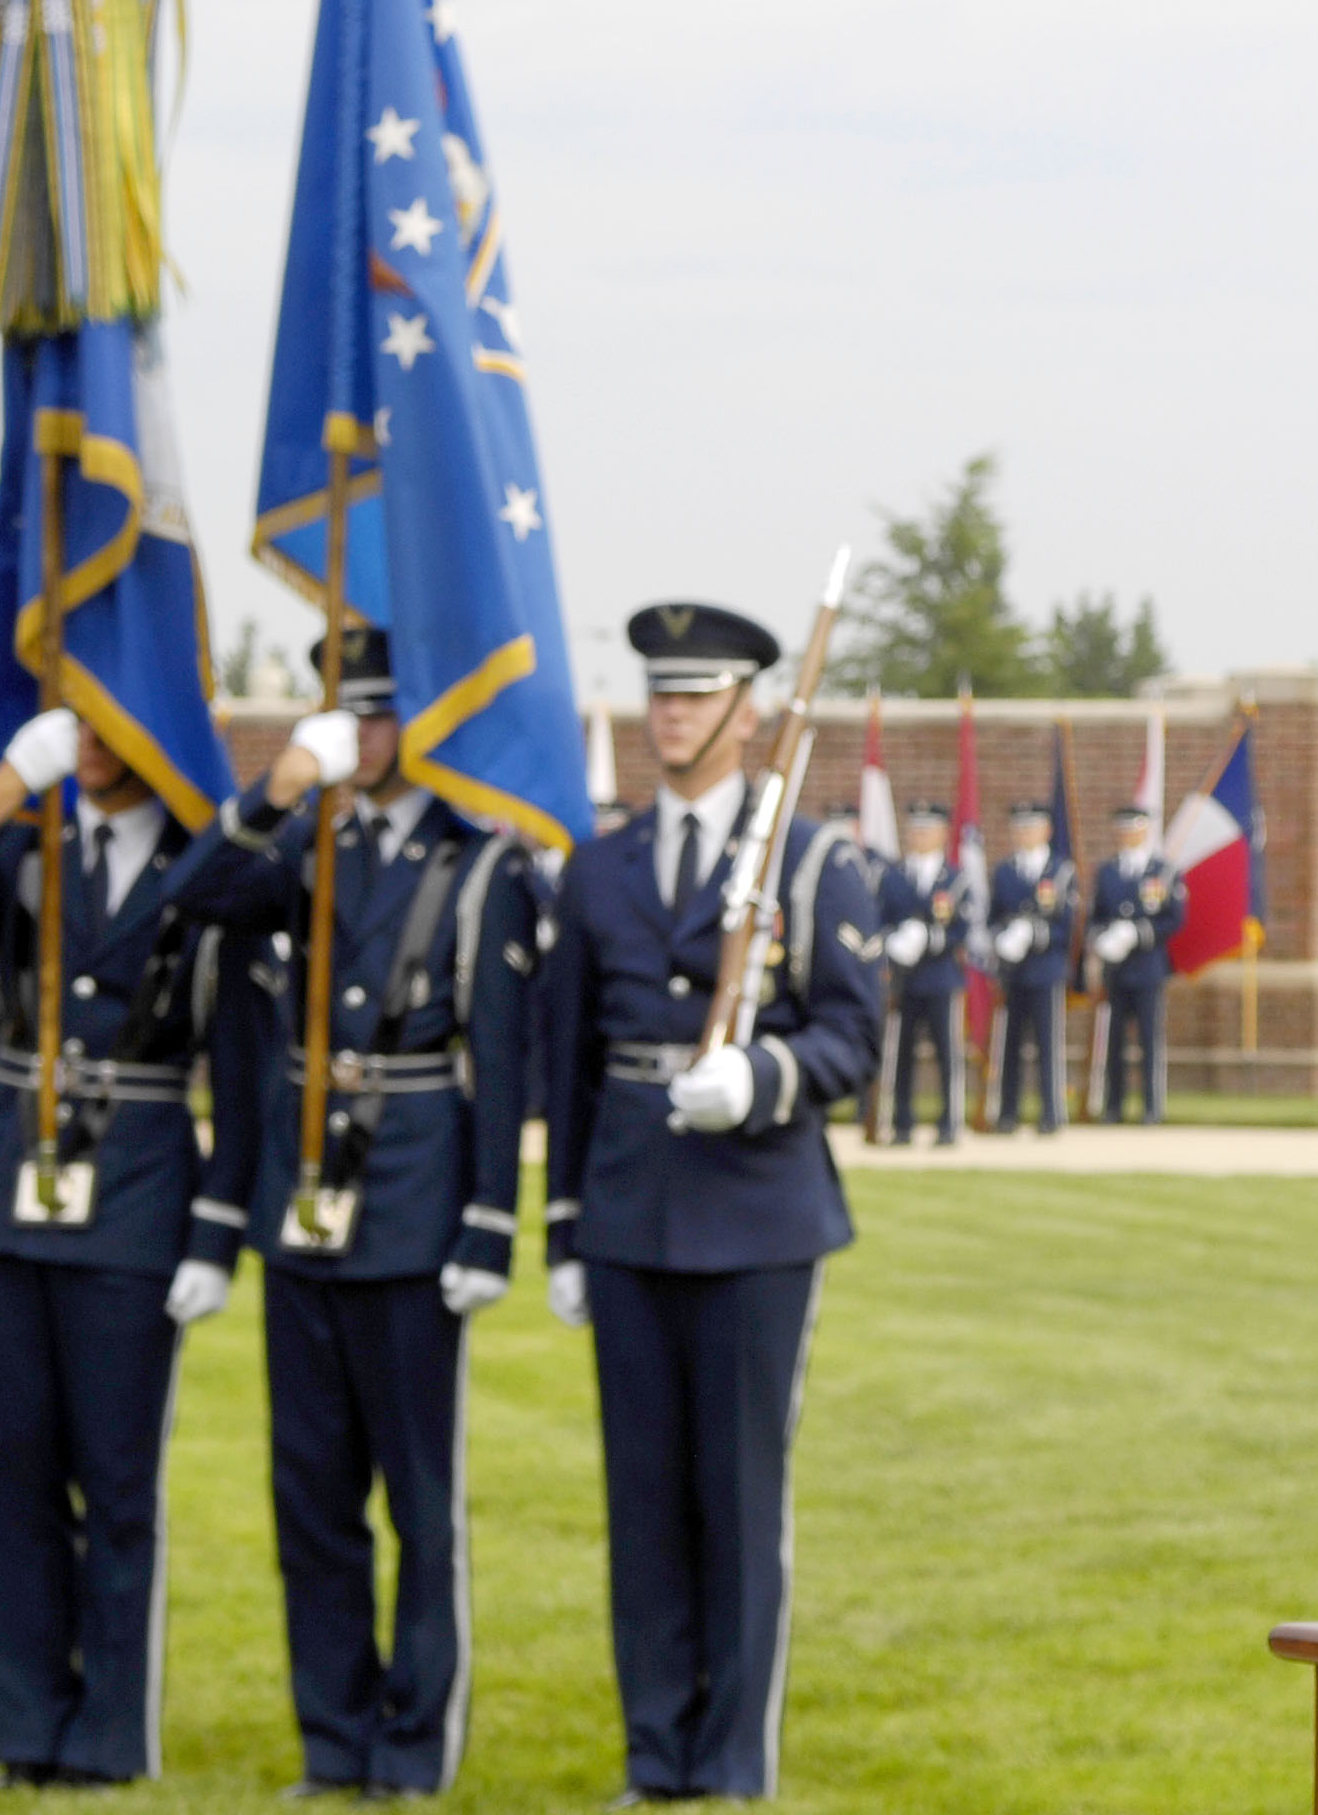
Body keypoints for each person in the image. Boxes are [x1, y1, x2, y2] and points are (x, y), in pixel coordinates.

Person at [0, 703, 271, 1789]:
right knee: (13, 1479)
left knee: (116, 1481)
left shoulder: (205, 876)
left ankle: (109, 1733)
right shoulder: (21, 853)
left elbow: (239, 1072)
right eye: (77, 721)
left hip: (137, 1205)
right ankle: (28, 1728)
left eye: (111, 718)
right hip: (11, 1200)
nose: (91, 739)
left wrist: (216, 1229)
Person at [538, 600, 881, 1803]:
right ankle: (657, 1758)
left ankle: (731, 1765)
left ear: (749, 713)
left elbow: (853, 1034)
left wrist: (763, 1075)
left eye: (694, 695)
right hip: (630, 1214)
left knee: (736, 1502)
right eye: (658, 693)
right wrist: (564, 1228)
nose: (668, 714)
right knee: (642, 1505)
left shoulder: (810, 857)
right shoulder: (604, 863)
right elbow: (569, 1061)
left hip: (757, 1217)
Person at [200, 626, 543, 1803]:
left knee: (419, 1503)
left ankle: (412, 1743)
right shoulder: (303, 843)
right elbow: (192, 899)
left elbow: (502, 1053)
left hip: (409, 1205)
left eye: (383, 714)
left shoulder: (476, 862)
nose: (365, 734)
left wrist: (492, 1216)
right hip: (303, 1207)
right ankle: (331, 1739)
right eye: (345, 712)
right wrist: (277, 788)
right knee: (310, 1495)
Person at [876, 804, 976, 1148]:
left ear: (943, 833)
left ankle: (949, 1122)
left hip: (941, 978)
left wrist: (931, 939)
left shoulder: (955, 879)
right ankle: (901, 1121)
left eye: (927, 829)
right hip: (903, 982)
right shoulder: (893, 876)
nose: (919, 836)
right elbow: (879, 920)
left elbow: (963, 929)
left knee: (947, 1053)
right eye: (915, 829)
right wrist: (894, 940)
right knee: (901, 1054)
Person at [1085, 800, 1185, 1124]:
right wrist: (1103, 937)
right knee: (1113, 1041)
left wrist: (1138, 933)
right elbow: (1095, 916)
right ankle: (1114, 1105)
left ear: (1145, 830)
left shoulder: (1163, 872)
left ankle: (1152, 1106)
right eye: (1123, 829)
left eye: (1134, 828)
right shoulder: (1108, 872)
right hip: (1116, 972)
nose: (1128, 835)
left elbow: (1174, 919)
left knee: (1148, 1039)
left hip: (1147, 968)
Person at [983, 798, 1073, 1137]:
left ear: (1047, 830)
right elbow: (993, 917)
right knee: (1010, 1044)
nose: (1025, 833)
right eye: (1019, 827)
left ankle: (1051, 1113)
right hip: (1012, 973)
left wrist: (1033, 933)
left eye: (1031, 826)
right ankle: (1007, 1112)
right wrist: (1001, 937)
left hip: (1045, 970)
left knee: (1047, 1044)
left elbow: (1066, 927)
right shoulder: (1004, 871)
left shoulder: (1060, 872)